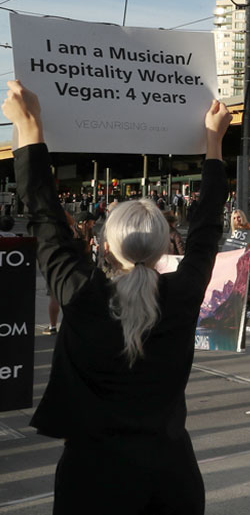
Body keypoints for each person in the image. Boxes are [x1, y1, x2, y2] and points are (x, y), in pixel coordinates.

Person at [6, 80, 231, 514]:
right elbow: (206, 232)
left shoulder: (80, 294)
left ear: (105, 247)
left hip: (93, 479)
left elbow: (44, 217)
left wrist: (30, 130)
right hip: (172, 478)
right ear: (167, 247)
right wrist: (214, 142)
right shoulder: (181, 296)